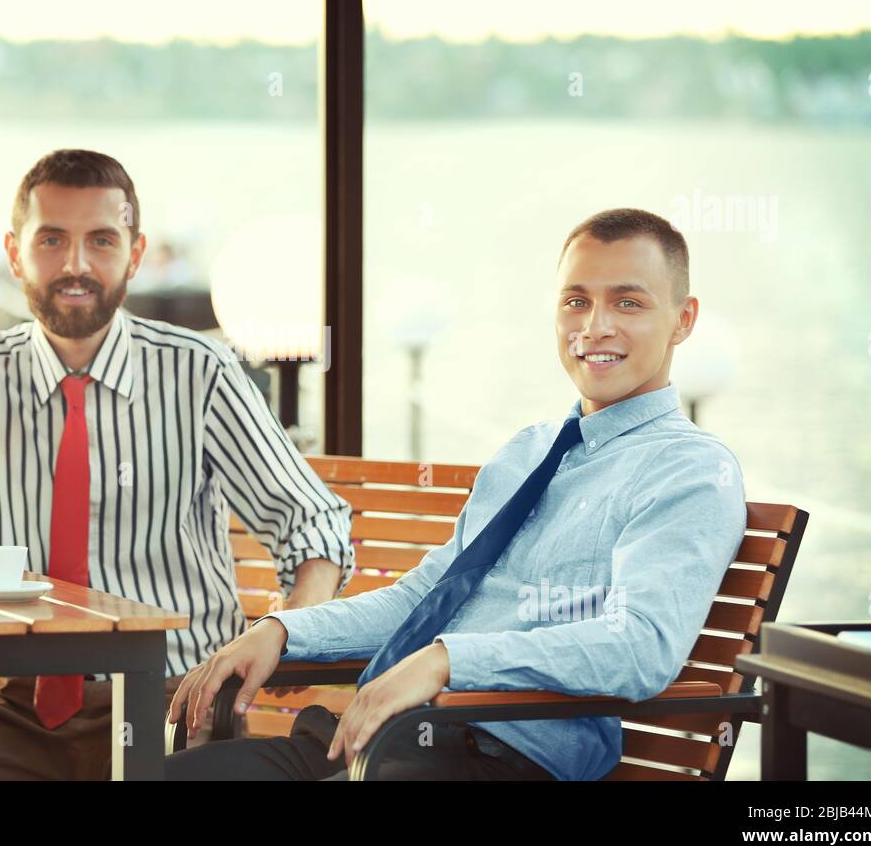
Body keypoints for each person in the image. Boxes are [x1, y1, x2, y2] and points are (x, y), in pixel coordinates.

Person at [0, 149, 353, 779]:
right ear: (15, 254)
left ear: (135, 251)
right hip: (14, 708)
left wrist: (279, 634)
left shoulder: (197, 374)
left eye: (100, 240)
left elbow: (313, 522)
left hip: (169, 701)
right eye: (52, 240)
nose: (75, 265)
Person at [165, 208, 748, 781]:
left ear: (684, 319)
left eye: (629, 302)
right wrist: (284, 630)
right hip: (380, 737)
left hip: (496, 755)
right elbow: (422, 598)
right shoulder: (528, 452)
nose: (595, 325)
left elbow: (640, 645)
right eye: (576, 301)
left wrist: (448, 662)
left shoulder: (689, 470)